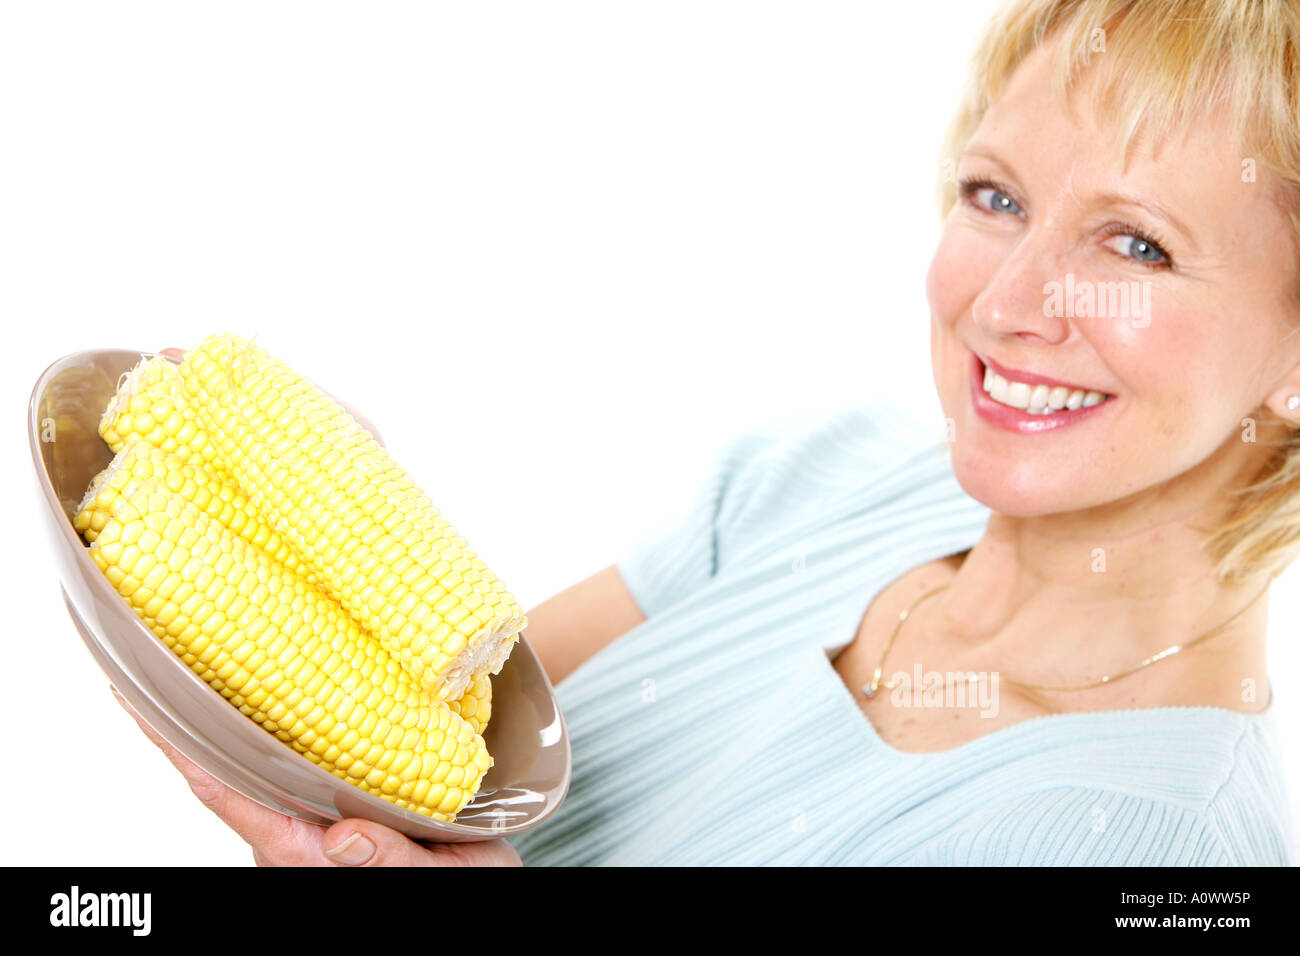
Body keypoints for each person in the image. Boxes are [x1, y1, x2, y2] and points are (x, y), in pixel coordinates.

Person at [118, 0, 1300, 864]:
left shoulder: (1160, 854)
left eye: (1134, 244)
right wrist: (315, 519)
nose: (1003, 304)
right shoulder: (816, 478)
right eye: (996, 197)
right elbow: (442, 741)